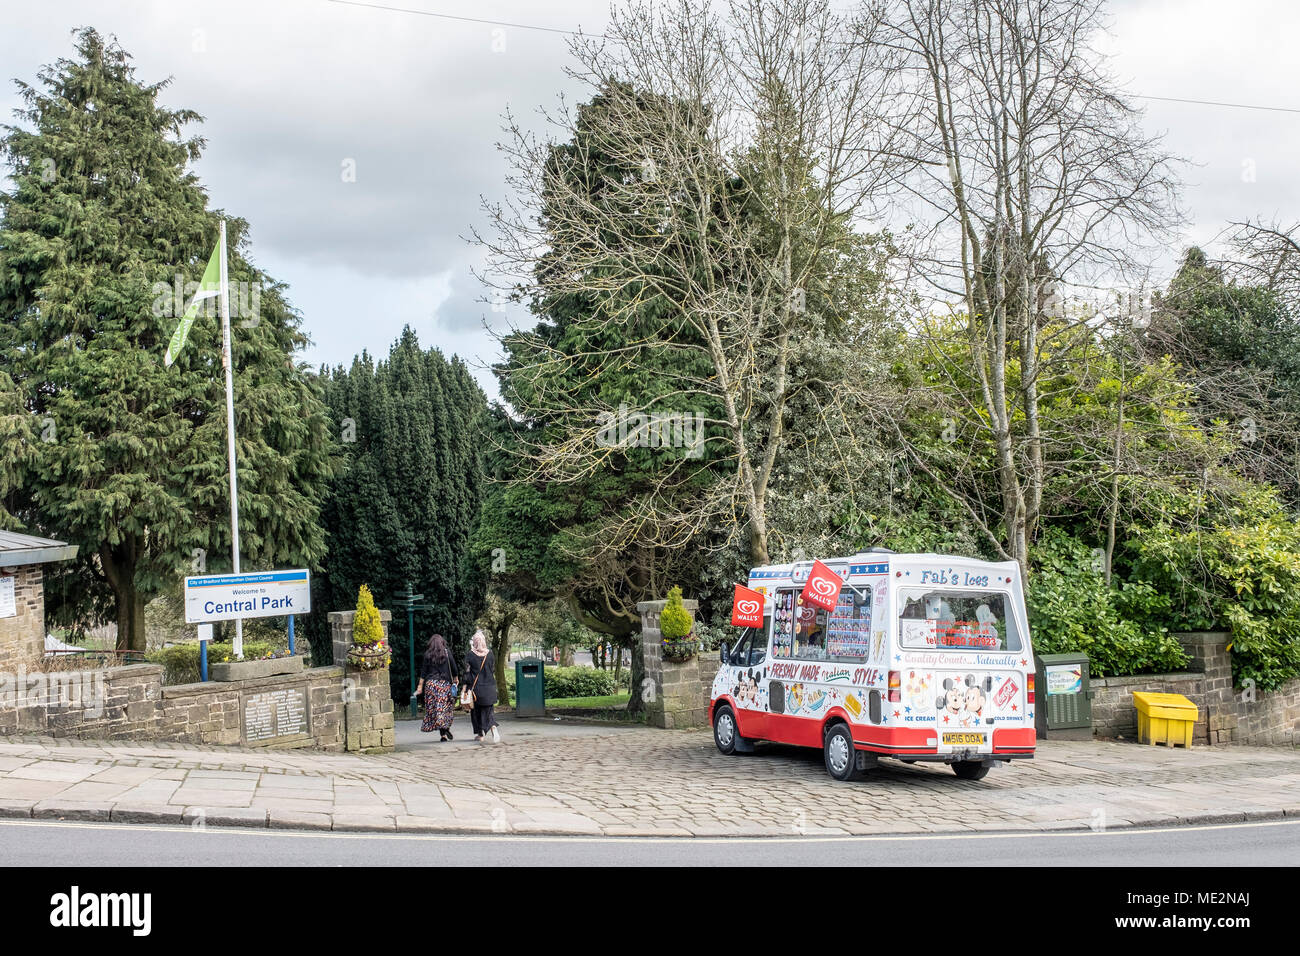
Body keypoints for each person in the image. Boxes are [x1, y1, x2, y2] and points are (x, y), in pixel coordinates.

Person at [461, 629, 500, 744]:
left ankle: (481, 734)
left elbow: (467, 674)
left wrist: (464, 688)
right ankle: (492, 727)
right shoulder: (490, 654)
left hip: (476, 689)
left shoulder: (470, 655)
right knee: (488, 711)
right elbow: (492, 669)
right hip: (490, 688)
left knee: (476, 712)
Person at [415, 634, 457, 741]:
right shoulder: (447, 653)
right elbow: (454, 667)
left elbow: (423, 672)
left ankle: (442, 734)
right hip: (444, 685)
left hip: (431, 685)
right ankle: (445, 728)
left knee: (436, 710)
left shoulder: (427, 654)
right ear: (442, 642)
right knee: (445, 709)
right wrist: (456, 678)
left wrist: (420, 686)